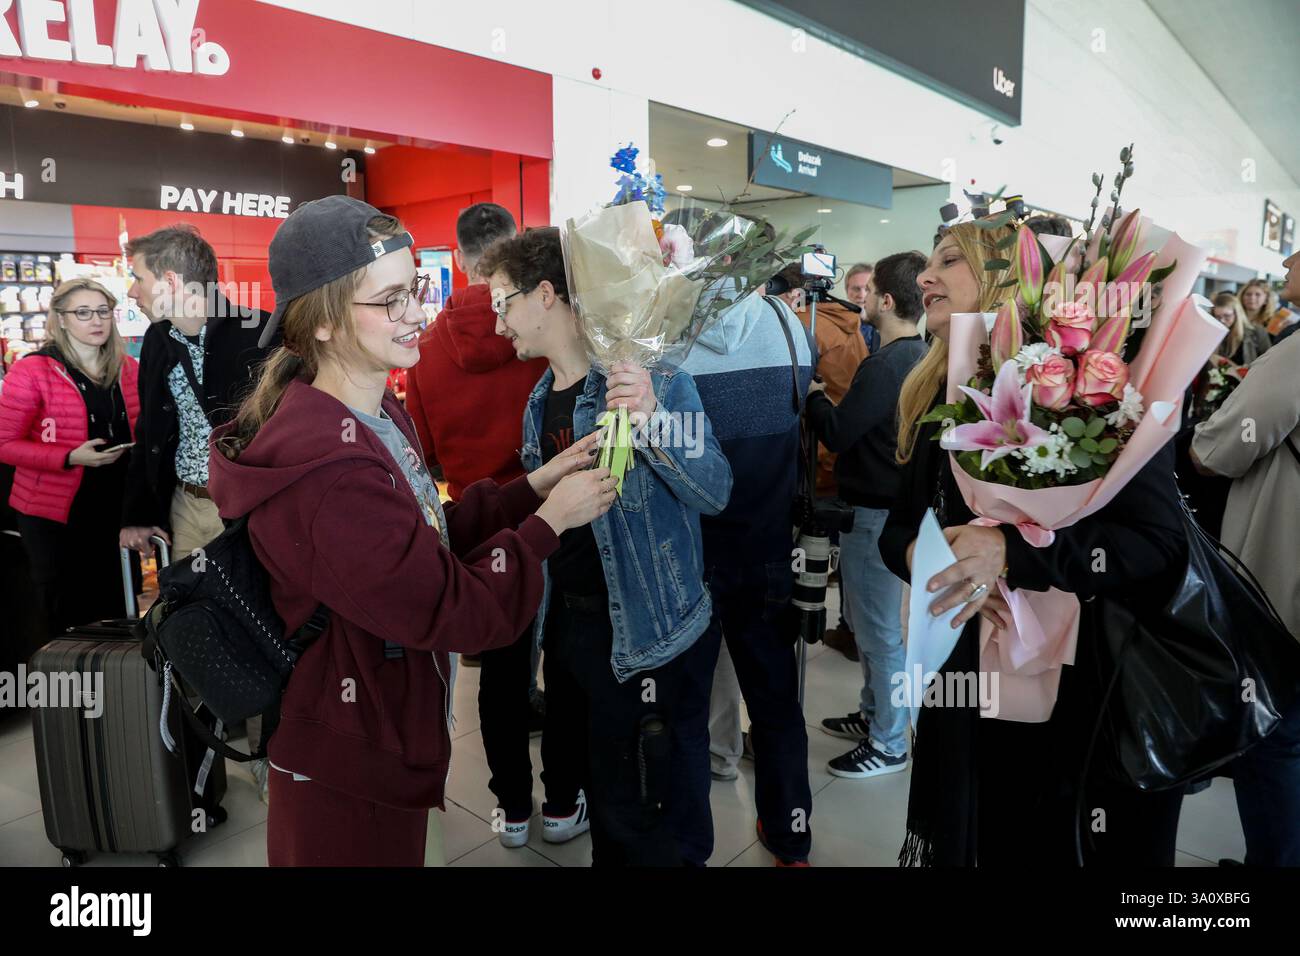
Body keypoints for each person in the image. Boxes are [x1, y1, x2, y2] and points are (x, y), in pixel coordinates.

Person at [206, 196, 612, 866]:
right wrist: (546, 526)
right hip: (347, 757)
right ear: (327, 322)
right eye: (390, 299)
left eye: (416, 289)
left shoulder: (375, 410)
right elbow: (453, 607)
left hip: (383, 731)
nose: (416, 314)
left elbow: (418, 542)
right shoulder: (326, 466)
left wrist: (529, 489)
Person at [878, 220, 1189, 866]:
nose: (925, 277)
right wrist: (929, 561)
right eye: (927, 260)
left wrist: (1012, 556)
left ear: (1002, 279)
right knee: (974, 830)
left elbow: (1157, 545)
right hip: (964, 672)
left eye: (949, 261)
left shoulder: (1105, 393)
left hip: (1079, 686)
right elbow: (898, 532)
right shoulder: (934, 391)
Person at [480, 227, 731, 866]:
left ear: (545, 295)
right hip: (574, 634)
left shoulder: (649, 378)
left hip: (656, 632)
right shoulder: (538, 401)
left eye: (502, 301)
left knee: (663, 804)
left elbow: (716, 489)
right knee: (611, 796)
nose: (497, 320)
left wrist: (652, 421)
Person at [403, 203, 550, 841]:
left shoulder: (425, 347)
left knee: (502, 673)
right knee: (569, 662)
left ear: (458, 255)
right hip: (556, 507)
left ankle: (513, 808)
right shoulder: (540, 327)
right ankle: (568, 798)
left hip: (478, 520)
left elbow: (425, 452)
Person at [117, 223, 275, 796]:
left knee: (261, 625)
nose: (129, 291)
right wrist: (136, 510)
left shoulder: (259, 332)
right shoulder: (158, 339)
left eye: (137, 277)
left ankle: (268, 750)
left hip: (249, 513)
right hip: (187, 507)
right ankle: (206, 753)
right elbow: (152, 429)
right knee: (192, 626)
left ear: (172, 279)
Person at [673, 277, 817, 866]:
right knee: (777, 699)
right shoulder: (791, 329)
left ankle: (685, 848)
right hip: (767, 545)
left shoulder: (666, 342)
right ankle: (791, 837)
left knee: (684, 709)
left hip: (690, 553)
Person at [1191, 248, 1300, 866]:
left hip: (1283, 585)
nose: (1288, 260)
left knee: (1276, 738)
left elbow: (1217, 452)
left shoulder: (1294, 354)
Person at [805, 251, 928, 778]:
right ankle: (876, 714)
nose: (860, 299)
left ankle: (890, 741)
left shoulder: (885, 364)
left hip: (874, 516)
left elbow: (837, 431)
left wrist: (813, 395)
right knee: (875, 628)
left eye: (868, 290)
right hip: (887, 510)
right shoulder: (923, 355)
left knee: (878, 633)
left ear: (887, 300)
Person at [0, 279, 139, 635]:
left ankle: (115, 684)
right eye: (83, 313)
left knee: (117, 606)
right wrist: (68, 457)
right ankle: (64, 686)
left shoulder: (128, 369)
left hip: (113, 509)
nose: (96, 321)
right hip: (54, 515)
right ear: (61, 319)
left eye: (103, 312)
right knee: (62, 611)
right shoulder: (34, 370)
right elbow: (5, 443)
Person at [1211, 292, 1270, 365]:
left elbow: (1268, 360)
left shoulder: (1257, 331)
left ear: (1237, 314)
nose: (1222, 320)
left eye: (1227, 316)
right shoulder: (1210, 333)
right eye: (1218, 316)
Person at [843, 262, 880, 353]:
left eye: (867, 289)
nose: (862, 295)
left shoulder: (887, 324)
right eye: (856, 289)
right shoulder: (836, 323)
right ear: (847, 290)